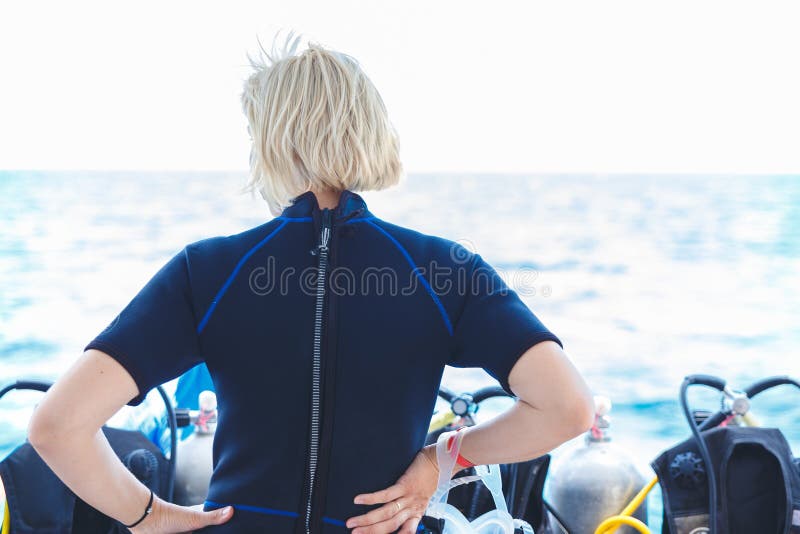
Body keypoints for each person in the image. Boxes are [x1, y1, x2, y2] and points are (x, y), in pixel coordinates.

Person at [26, 31, 595, 533]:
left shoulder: (209, 272)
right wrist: (440, 460)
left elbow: (57, 427)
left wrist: (149, 515)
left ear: (271, 142)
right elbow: (567, 408)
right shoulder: (447, 270)